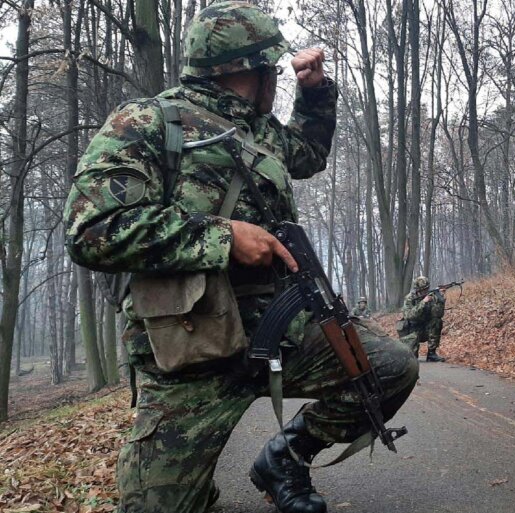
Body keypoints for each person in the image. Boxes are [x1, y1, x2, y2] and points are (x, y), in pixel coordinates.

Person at [63, 3, 418, 513]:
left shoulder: (257, 127)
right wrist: (222, 238)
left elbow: (307, 156)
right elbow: (91, 231)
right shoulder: (144, 122)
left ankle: (286, 458)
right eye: (272, 68)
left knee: (387, 367)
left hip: (281, 332)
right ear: (249, 71)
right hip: (191, 354)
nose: (276, 76)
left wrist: (315, 93)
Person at [397, 276, 447, 362]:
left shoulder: (431, 296)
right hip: (411, 331)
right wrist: (423, 302)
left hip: (424, 329)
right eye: (423, 290)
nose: (425, 291)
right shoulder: (409, 298)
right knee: (412, 358)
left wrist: (440, 300)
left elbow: (438, 314)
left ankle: (431, 354)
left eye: (427, 289)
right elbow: (409, 315)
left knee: (437, 321)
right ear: (417, 290)